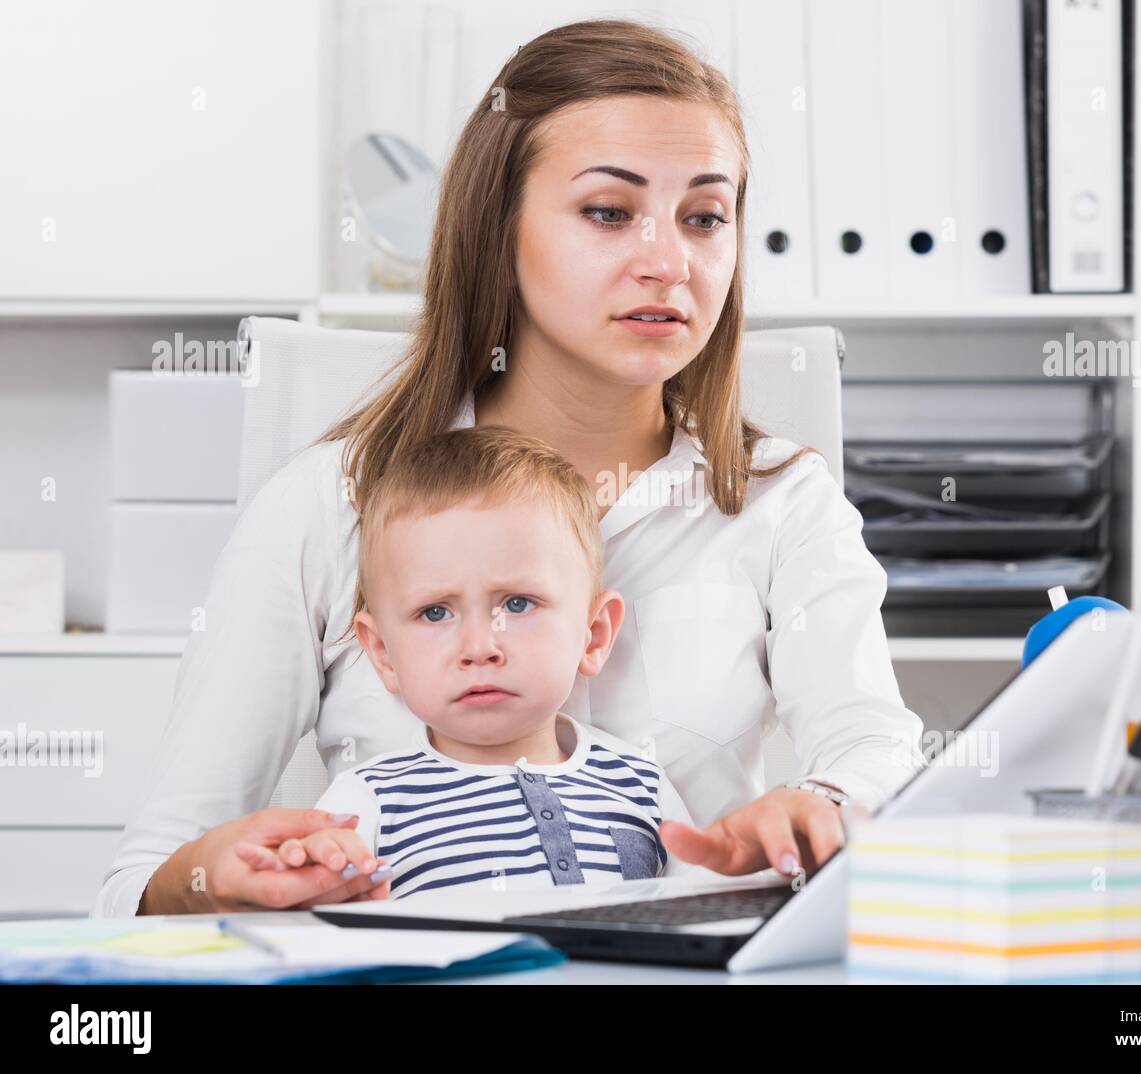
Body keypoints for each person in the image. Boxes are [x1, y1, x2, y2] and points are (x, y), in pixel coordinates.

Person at [93, 17, 924, 917]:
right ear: (499, 231)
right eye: (609, 212)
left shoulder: (782, 503)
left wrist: (827, 810)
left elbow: (874, 750)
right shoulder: (328, 503)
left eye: (705, 217)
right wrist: (206, 879)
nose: (668, 262)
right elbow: (142, 882)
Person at [277, 425, 701, 897]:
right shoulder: (367, 802)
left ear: (594, 633)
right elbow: (318, 927)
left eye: (517, 604)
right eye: (435, 612)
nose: (479, 647)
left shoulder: (641, 783)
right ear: (383, 653)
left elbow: (707, 921)